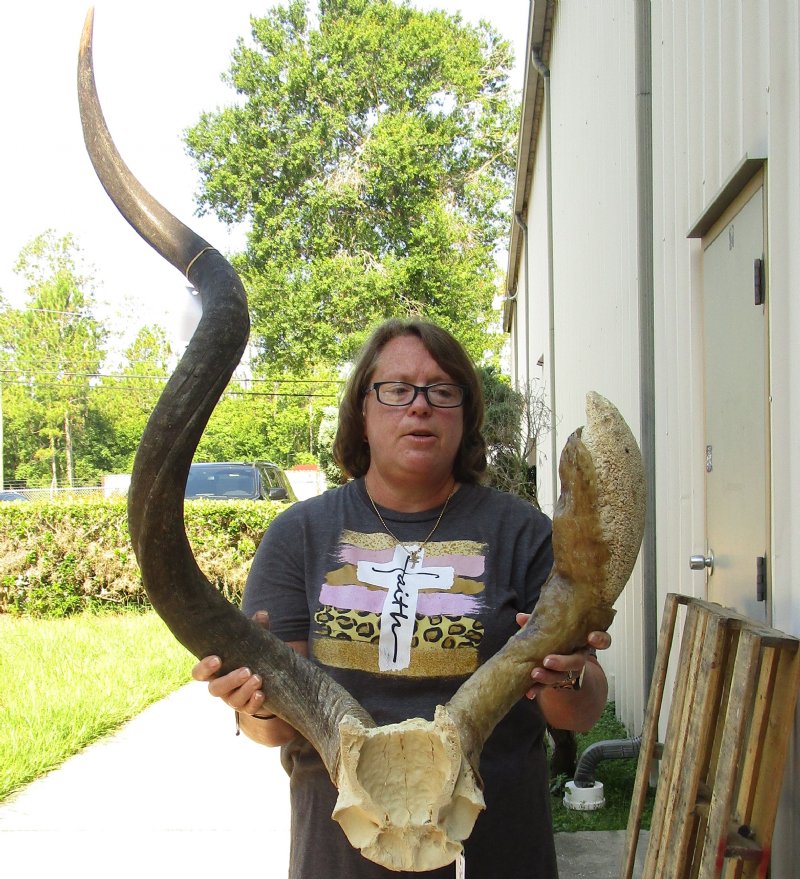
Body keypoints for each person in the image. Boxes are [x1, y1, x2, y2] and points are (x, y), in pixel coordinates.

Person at [193, 318, 611, 878]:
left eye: (443, 390)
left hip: (497, 849)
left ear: (466, 416)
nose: (420, 406)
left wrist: (569, 672)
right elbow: (273, 730)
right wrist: (254, 705)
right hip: (340, 852)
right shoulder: (300, 534)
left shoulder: (523, 533)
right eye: (396, 390)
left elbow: (579, 715)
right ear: (361, 414)